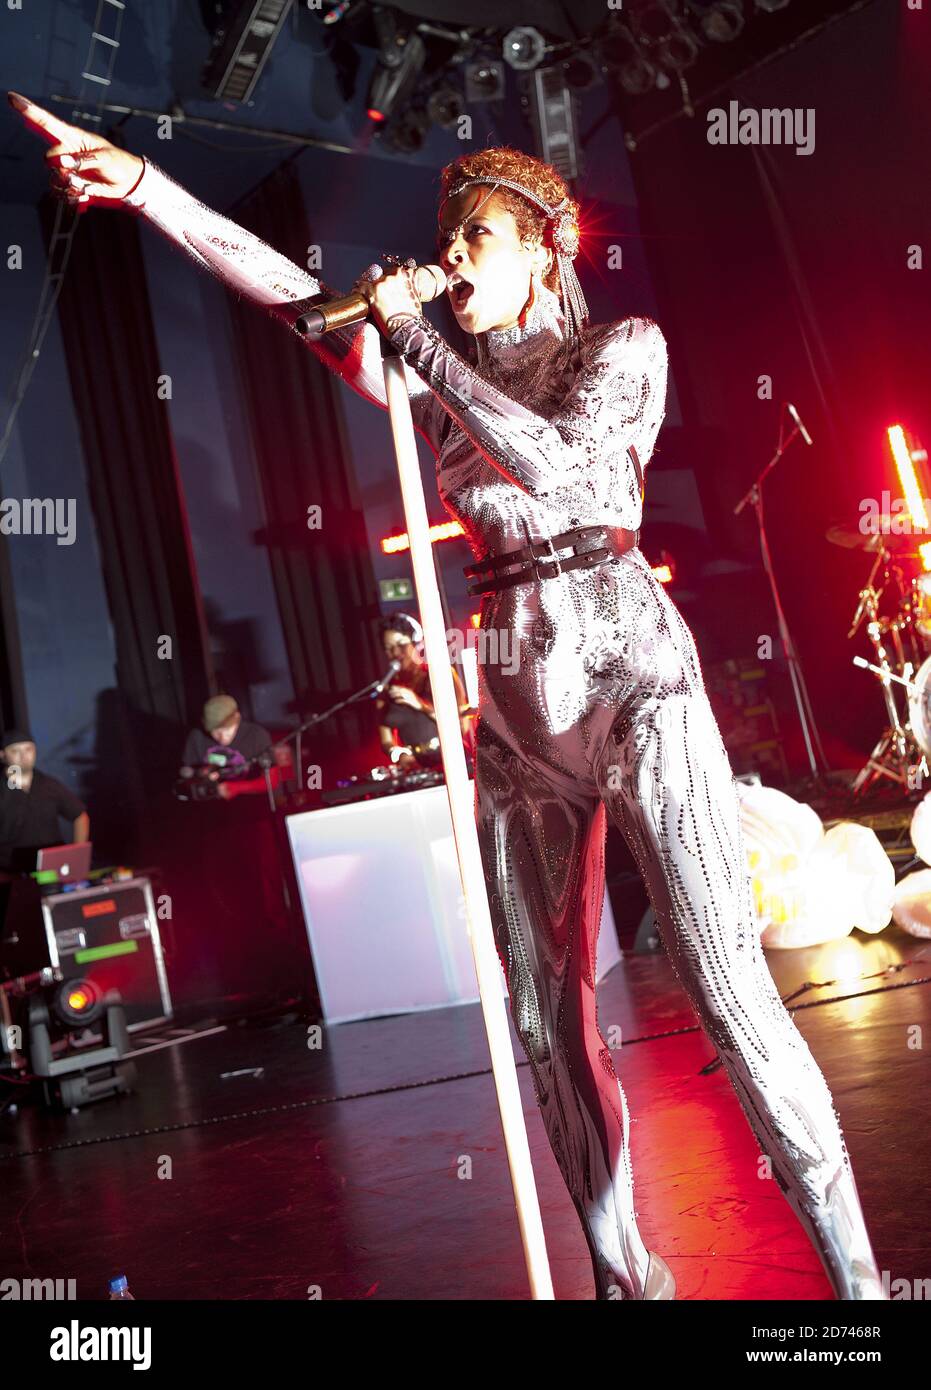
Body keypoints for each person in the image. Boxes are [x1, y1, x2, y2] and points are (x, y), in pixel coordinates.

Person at [9, 91, 887, 1302]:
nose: (451, 257)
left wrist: (416, 342)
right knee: (545, 1020)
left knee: (730, 993)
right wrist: (150, 186)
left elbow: (567, 469)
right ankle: (624, 1271)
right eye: (450, 240)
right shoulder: (434, 362)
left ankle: (855, 1283)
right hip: (521, 722)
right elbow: (281, 289)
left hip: (635, 688)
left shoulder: (619, 349)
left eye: (475, 238)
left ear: (540, 248)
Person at [376, 612, 473, 771]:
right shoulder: (386, 688)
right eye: (388, 648)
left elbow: (461, 726)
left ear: (416, 643)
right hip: (417, 767)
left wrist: (420, 704)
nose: (395, 652)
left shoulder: (441, 674)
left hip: (453, 760)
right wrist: (398, 754)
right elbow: (386, 740)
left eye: (401, 644)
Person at [0, 728, 89, 871]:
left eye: (28, 749)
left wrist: (77, 856)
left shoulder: (48, 785)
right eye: (16, 751)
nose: (23, 756)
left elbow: (79, 815)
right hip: (12, 871)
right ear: (3, 755)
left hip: (53, 866)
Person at [179, 694, 278, 801]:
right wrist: (201, 774)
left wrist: (237, 788)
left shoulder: (257, 735)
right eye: (215, 732)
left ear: (237, 717)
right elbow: (186, 777)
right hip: (209, 806)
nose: (222, 737)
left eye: (227, 729)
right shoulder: (196, 737)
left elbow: (272, 780)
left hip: (250, 804)